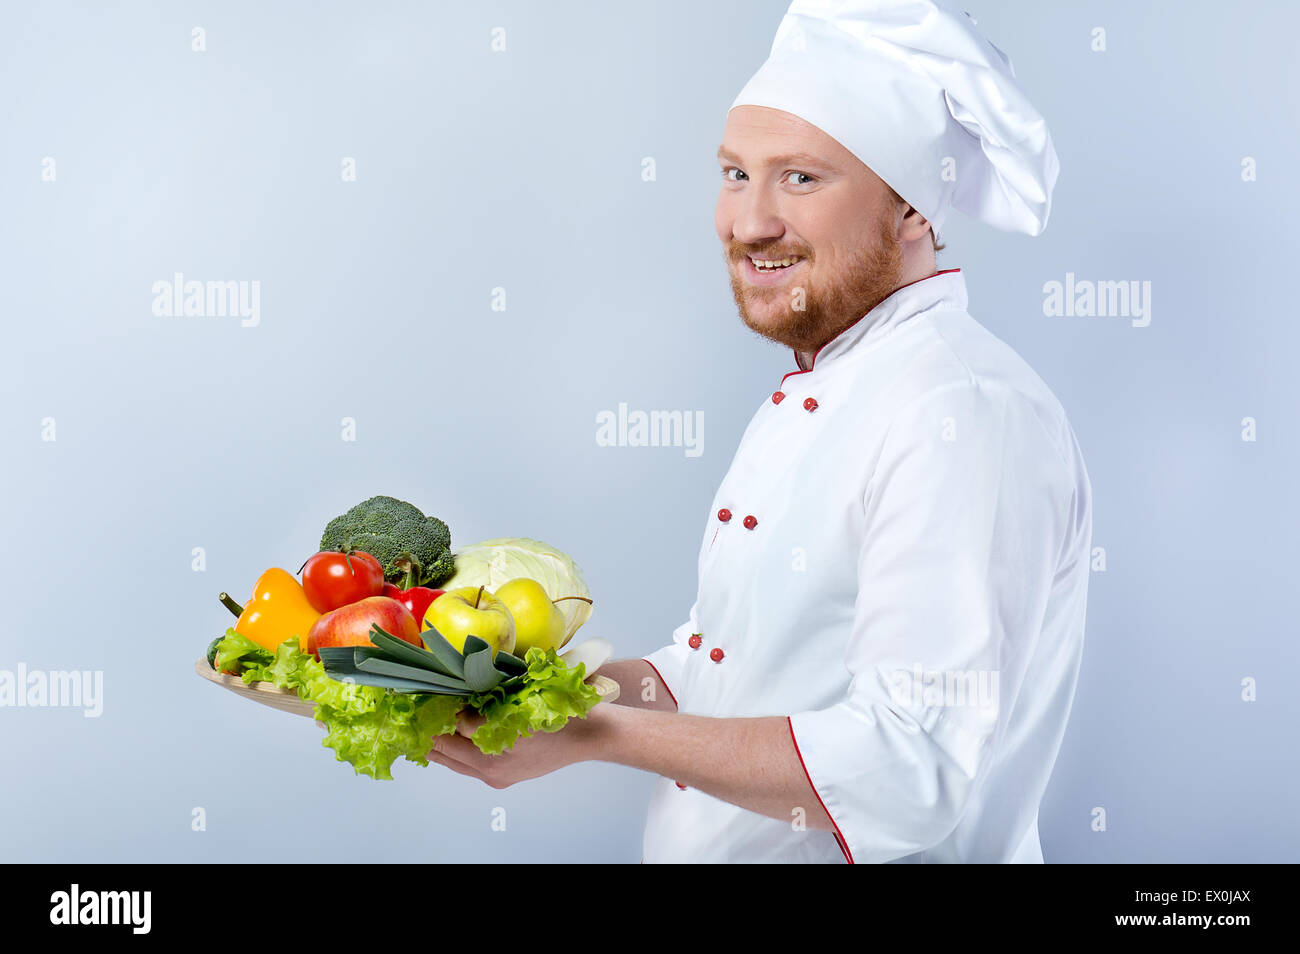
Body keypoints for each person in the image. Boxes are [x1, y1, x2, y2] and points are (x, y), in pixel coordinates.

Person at [429, 0, 1093, 864]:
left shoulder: (959, 412)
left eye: (802, 178)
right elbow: (732, 671)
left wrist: (596, 735)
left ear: (914, 213)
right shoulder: (832, 378)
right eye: (735, 173)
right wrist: (530, 697)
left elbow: (910, 765)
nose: (748, 223)